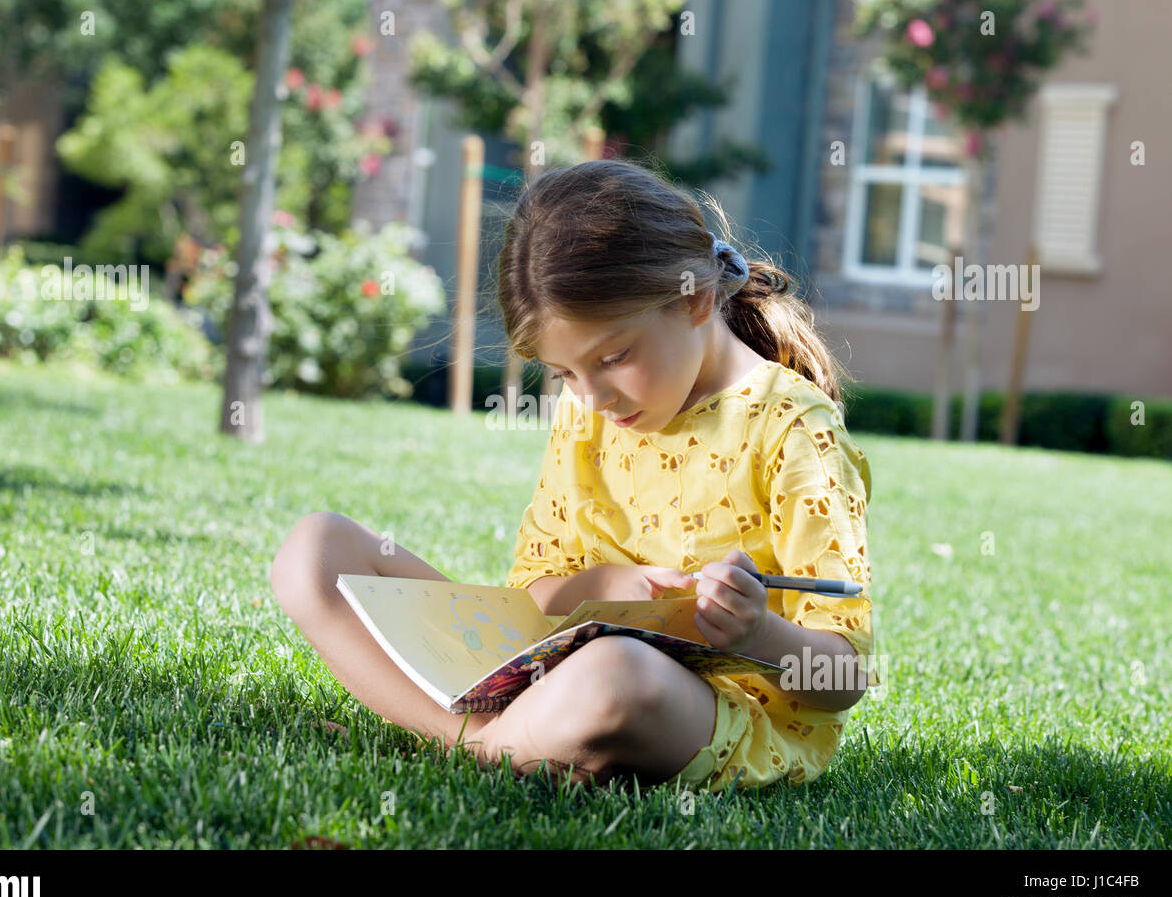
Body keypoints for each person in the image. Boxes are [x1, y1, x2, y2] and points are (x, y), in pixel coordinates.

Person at [270, 158, 878, 792]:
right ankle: (485, 743)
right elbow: (530, 603)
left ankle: (473, 747)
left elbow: (843, 678)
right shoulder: (590, 409)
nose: (592, 398)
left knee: (618, 674)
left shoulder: (792, 429)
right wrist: (610, 582)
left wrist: (757, 631)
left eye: (613, 357)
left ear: (696, 298)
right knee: (315, 550)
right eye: (564, 375)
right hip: (550, 679)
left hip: (706, 712)